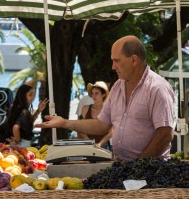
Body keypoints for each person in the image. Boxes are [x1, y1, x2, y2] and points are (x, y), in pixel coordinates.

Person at [38, 35, 175, 161]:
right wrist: (64, 123)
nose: (113, 66)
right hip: (122, 168)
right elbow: (101, 124)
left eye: (117, 61)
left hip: (151, 172)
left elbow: (165, 133)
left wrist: (139, 166)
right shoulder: (117, 87)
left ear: (134, 60)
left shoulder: (157, 88)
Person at [77, 81, 113, 148]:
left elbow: (111, 132)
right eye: (92, 93)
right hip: (87, 145)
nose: (94, 96)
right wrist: (89, 142)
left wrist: (99, 144)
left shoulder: (108, 111)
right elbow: (80, 129)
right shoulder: (85, 108)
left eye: (96, 93)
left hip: (104, 146)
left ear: (103, 94)